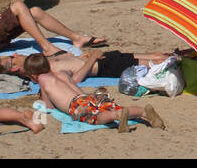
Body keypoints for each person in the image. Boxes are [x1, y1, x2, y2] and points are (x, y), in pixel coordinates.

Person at [23, 55, 164, 131]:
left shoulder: (42, 79)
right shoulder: (61, 73)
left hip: (77, 105)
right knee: (111, 106)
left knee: (97, 118)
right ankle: (143, 112)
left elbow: (49, 107)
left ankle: (117, 115)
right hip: (89, 97)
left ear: (34, 76)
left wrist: (43, 102)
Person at [0, 47, 173, 83]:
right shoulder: (41, 72)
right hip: (103, 67)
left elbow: (68, 61)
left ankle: (174, 57)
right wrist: (92, 59)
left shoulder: (37, 62)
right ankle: (180, 62)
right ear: (14, 68)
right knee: (153, 63)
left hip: (99, 59)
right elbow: (77, 78)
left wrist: (84, 55)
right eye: (12, 57)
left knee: (156, 55)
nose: (17, 54)